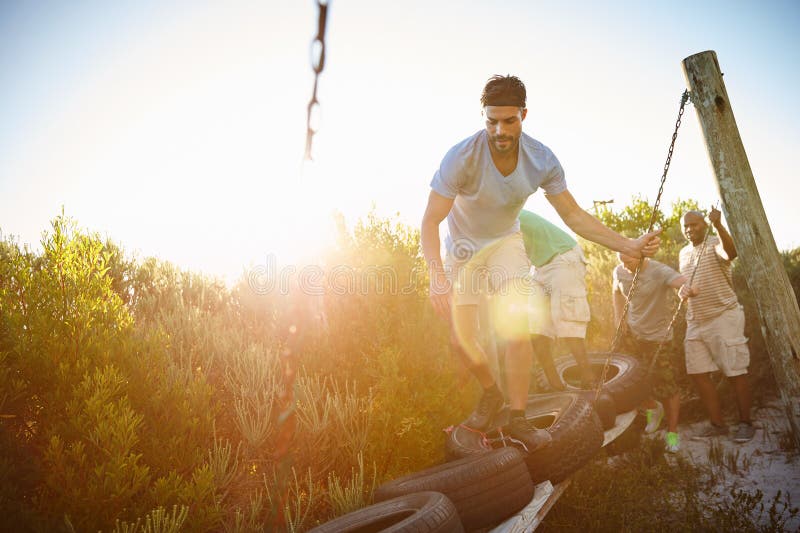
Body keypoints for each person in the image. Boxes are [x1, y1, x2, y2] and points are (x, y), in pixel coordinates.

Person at [420, 74, 661, 453]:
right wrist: (436, 276)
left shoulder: (541, 159)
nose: (499, 130)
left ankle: (517, 418)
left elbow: (576, 217)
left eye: (509, 120)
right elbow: (430, 220)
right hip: (464, 248)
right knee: (460, 340)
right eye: (491, 120)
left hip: (506, 244)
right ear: (483, 117)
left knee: (517, 329)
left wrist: (627, 243)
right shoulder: (460, 157)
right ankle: (491, 393)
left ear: (524, 115)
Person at [679, 207, 754, 443]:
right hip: (695, 321)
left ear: (704, 224)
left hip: (723, 316)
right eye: (686, 226)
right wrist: (681, 291)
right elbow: (685, 284)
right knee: (698, 373)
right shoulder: (682, 253)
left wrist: (720, 225)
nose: (690, 229)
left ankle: (746, 423)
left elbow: (731, 253)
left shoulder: (714, 243)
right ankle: (718, 424)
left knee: (735, 371)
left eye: (695, 224)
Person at [613, 252, 688, 453]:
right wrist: (618, 319)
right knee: (632, 383)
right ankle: (653, 408)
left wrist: (688, 288)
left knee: (668, 385)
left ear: (642, 256)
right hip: (634, 335)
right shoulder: (619, 270)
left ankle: (672, 433)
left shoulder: (659, 270)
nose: (626, 266)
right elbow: (616, 293)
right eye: (622, 261)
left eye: (629, 260)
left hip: (659, 337)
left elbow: (682, 281)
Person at [518, 209, 594, 390]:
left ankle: (589, 380)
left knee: (566, 321)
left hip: (562, 256)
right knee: (535, 329)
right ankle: (556, 387)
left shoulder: (503, 211)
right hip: (540, 267)